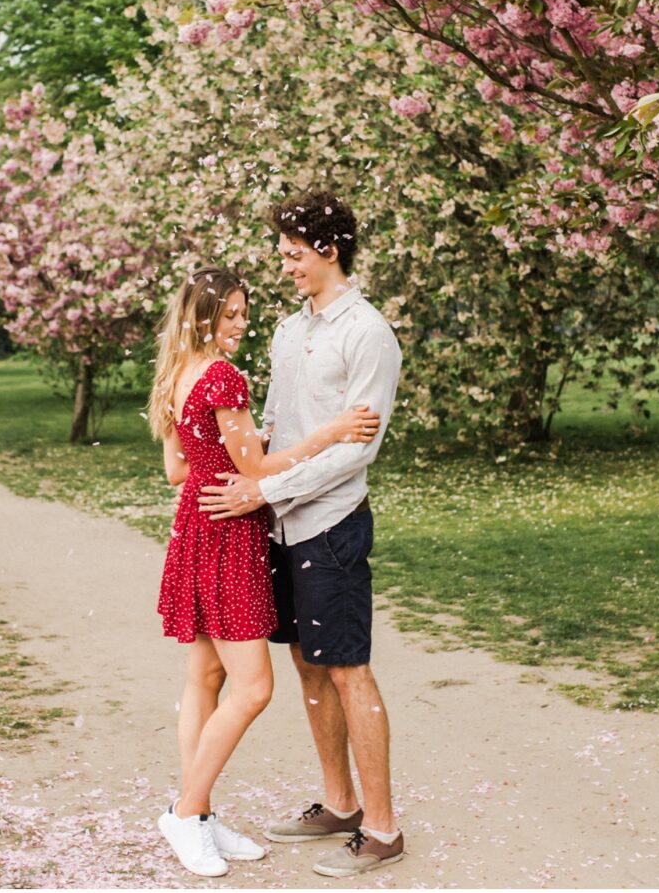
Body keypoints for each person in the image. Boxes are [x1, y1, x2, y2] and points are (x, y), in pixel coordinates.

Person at [149, 266, 381, 877]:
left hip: (194, 527)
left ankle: (196, 817)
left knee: (205, 677)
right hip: (228, 537)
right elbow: (262, 468)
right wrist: (331, 431)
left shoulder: (177, 372)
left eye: (244, 316)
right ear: (203, 315)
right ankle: (186, 809)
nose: (240, 325)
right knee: (253, 687)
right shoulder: (224, 377)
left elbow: (179, 471)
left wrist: (228, 456)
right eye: (230, 315)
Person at [199, 191, 406, 878]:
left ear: (329, 249)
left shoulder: (368, 333)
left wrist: (264, 487)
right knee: (308, 664)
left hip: (332, 524)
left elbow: (357, 450)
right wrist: (237, 450)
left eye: (292, 253)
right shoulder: (291, 330)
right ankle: (340, 803)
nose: (283, 264)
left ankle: (381, 828)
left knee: (348, 669)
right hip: (282, 525)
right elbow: (280, 425)